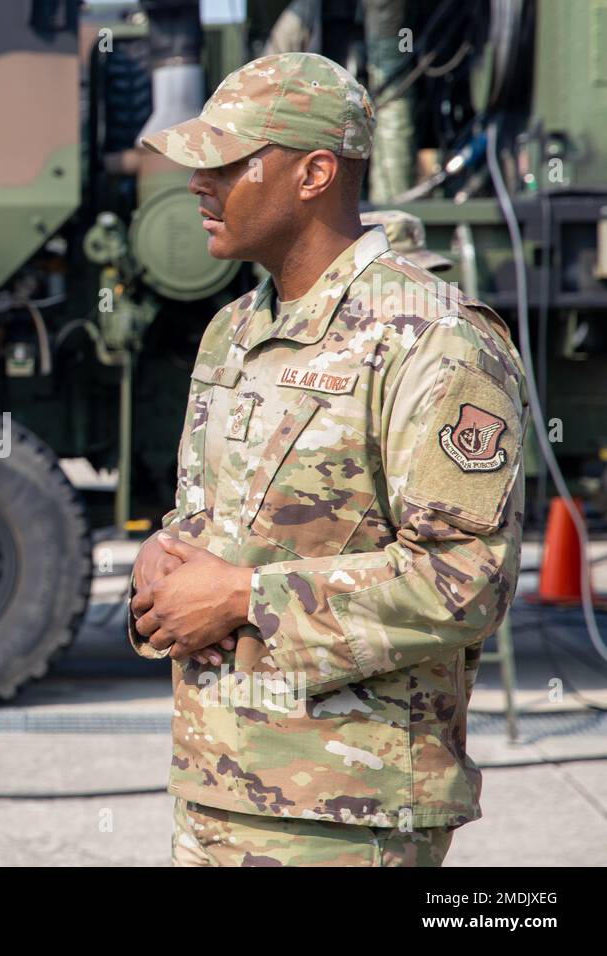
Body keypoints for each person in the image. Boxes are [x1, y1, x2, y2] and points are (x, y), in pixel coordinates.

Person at [130, 53, 528, 865]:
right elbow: (212, 521)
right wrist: (163, 558)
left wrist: (244, 595)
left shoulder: (433, 339)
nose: (199, 183)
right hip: (216, 786)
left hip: (349, 813)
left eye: (228, 161)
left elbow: (466, 579)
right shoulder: (233, 331)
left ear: (315, 172)